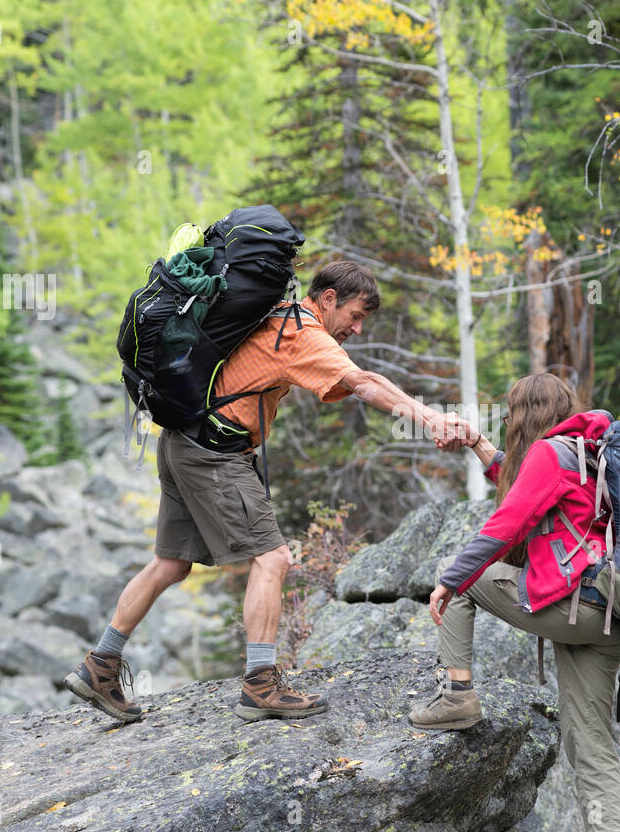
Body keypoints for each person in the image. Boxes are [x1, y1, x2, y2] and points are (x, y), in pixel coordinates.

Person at [66, 260, 474, 723]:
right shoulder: (303, 333)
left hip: (182, 440)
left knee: (171, 563)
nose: (357, 329)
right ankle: (260, 683)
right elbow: (364, 382)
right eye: (355, 315)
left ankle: (100, 664)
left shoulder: (277, 314)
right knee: (273, 558)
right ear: (327, 299)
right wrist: (432, 419)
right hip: (214, 453)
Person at [410, 372, 620, 832]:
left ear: (526, 415)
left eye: (510, 414)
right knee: (589, 740)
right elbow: (526, 486)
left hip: (570, 604)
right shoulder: (590, 452)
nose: (507, 422)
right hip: (608, 612)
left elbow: (507, 521)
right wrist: (481, 446)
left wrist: (450, 580)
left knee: (459, 575)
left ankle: (458, 696)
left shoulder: (550, 454)